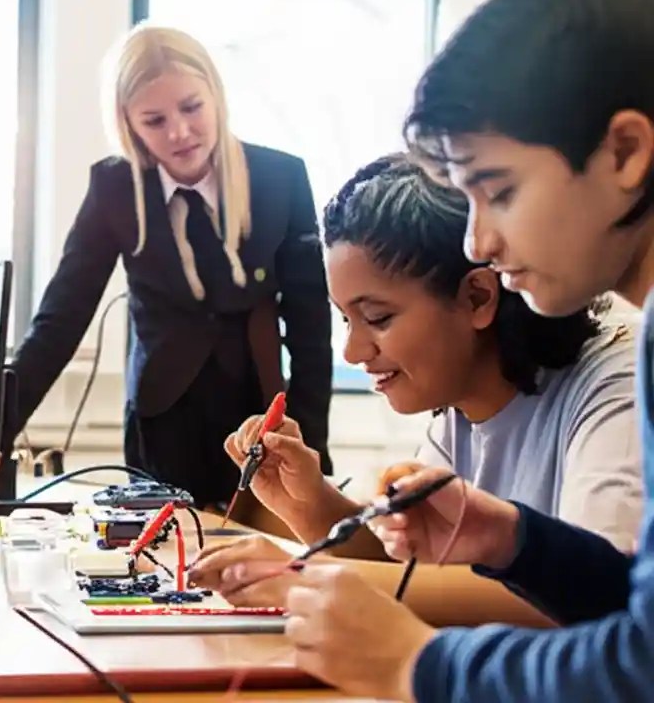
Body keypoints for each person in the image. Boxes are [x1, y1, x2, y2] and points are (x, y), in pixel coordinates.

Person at [211, 0, 654, 700]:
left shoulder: (627, 370)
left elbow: (635, 657)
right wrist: (514, 542)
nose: (478, 239)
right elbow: (627, 597)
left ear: (627, 151)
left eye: (499, 189)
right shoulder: (460, 405)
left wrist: (416, 664)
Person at [188, 153, 641, 627]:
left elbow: (590, 597)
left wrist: (306, 575)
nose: (352, 351)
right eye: (346, 319)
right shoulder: (461, 405)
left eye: (378, 318)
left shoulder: (618, 387)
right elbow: (416, 570)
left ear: (478, 297)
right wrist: (314, 505)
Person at [7, 24, 333, 510]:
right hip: (162, 423)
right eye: (154, 120)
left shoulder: (279, 179)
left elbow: (310, 327)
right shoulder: (115, 189)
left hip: (257, 414)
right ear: (128, 125)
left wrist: (312, 451)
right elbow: (61, 319)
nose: (179, 132)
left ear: (215, 96)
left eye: (191, 107)